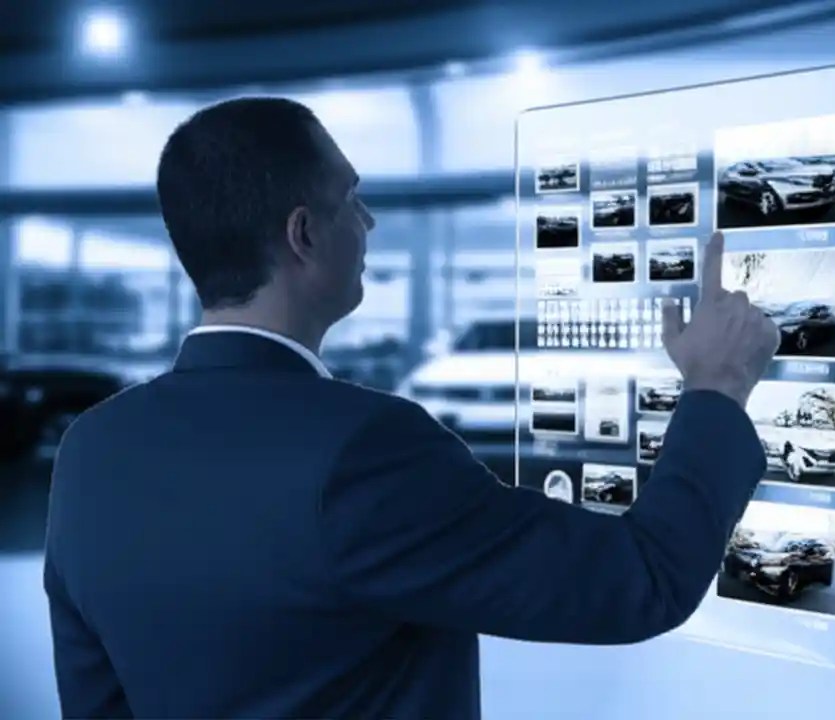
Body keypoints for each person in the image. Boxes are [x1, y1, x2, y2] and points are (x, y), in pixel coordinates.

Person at [42, 97, 781, 720]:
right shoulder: (364, 449)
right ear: (303, 235)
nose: (367, 223)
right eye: (352, 201)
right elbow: (641, 580)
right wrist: (716, 386)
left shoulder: (92, 451)